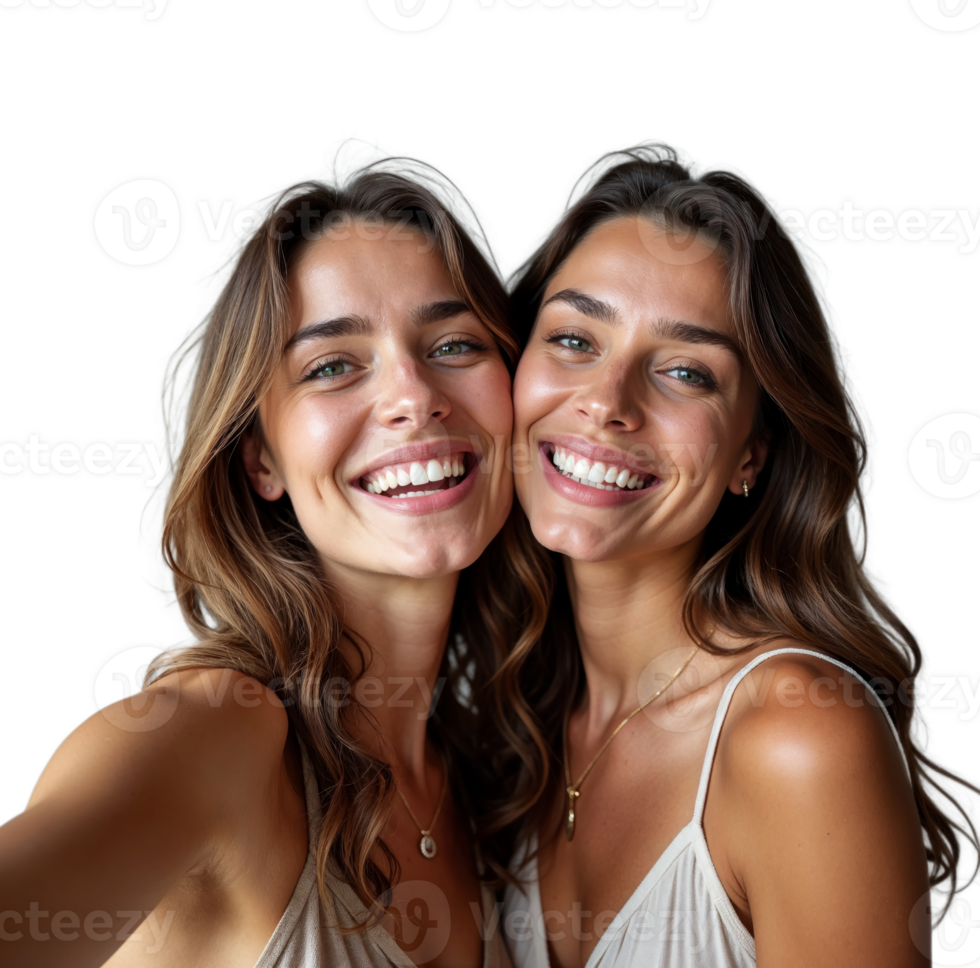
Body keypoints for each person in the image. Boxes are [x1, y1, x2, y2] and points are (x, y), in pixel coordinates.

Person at [0, 137, 549, 968]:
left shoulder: (480, 779)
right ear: (260, 459)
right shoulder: (213, 731)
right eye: (333, 365)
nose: (412, 396)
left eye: (454, 345)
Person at [493, 139, 980, 968]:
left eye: (685, 371)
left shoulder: (798, 734)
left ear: (751, 454)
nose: (608, 403)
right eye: (576, 338)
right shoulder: (511, 715)